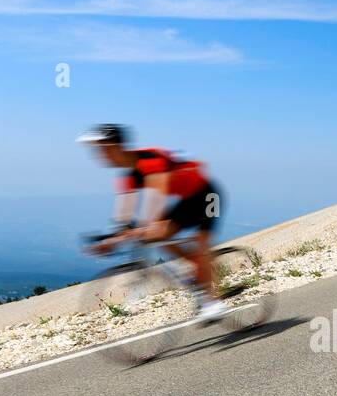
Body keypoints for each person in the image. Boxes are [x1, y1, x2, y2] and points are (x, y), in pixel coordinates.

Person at [77, 124, 227, 322]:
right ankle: (197, 269)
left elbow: (155, 204)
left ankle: (211, 301)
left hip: (208, 195)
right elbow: (124, 218)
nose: (99, 155)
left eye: (102, 148)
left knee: (199, 243)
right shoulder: (129, 176)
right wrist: (110, 239)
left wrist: (131, 234)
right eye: (97, 150)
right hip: (187, 200)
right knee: (159, 237)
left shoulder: (151, 160)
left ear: (116, 146)